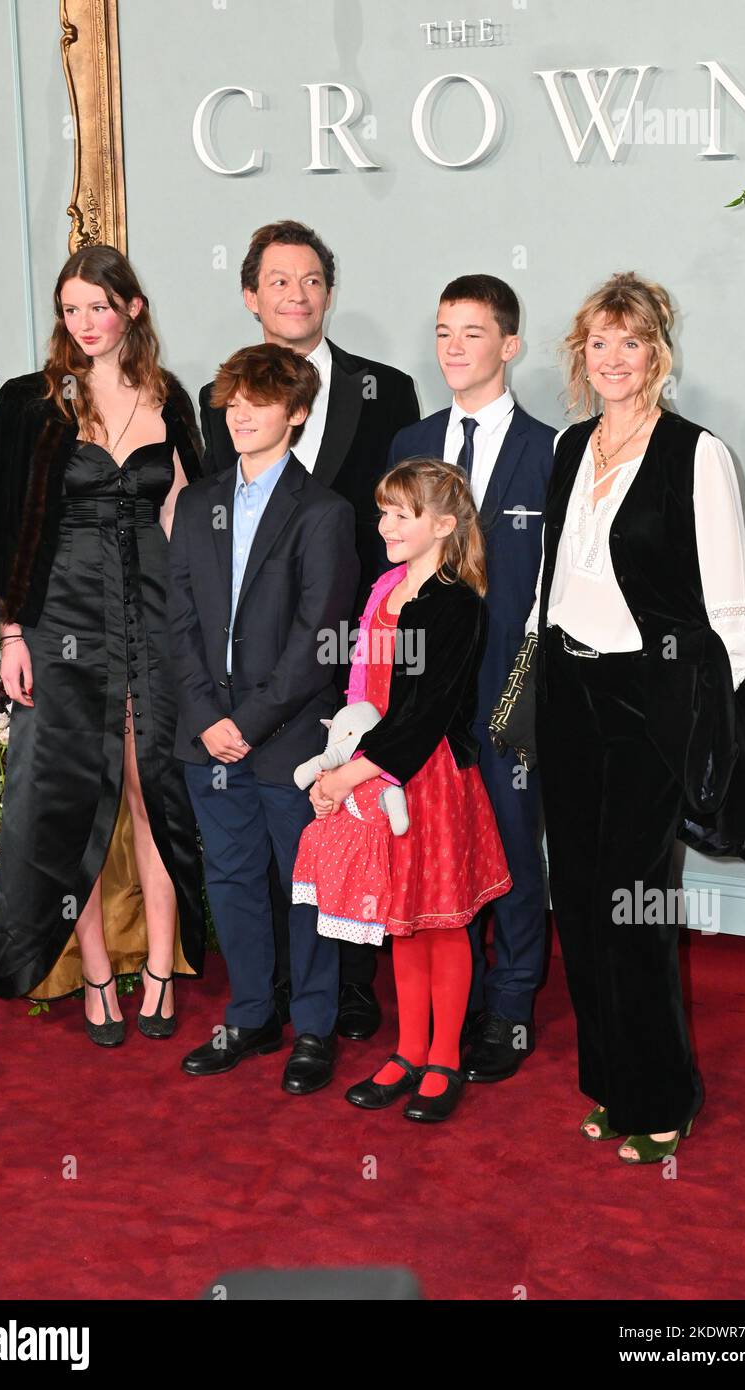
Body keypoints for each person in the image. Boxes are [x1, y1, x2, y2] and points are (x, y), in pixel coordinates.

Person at [524, 271, 745, 1163]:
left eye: (631, 342)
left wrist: (688, 713)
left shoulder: (697, 455)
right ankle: (611, 1085)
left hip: (646, 703)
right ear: (580, 354)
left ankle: (662, 1096)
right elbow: (556, 578)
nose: (614, 358)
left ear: (657, 353)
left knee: (634, 905)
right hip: (568, 693)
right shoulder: (566, 448)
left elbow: (736, 615)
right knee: (580, 898)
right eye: (599, 342)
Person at [0, 246, 209, 1042]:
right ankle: (94, 971)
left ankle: (161, 964)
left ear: (132, 308)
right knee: (69, 799)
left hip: (155, 618)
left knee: (149, 788)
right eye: (71, 309)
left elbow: (186, 522)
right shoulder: (33, 403)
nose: (85, 324)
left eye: (100, 306)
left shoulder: (170, 398)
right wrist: (9, 633)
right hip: (61, 620)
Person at [198, 219, 421, 1042]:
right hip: (258, 663)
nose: (297, 294)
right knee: (259, 846)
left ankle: (347, 992)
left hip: (361, 648)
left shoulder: (385, 389)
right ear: (251, 294)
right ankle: (269, 997)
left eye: (313, 280)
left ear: (330, 291)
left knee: (349, 819)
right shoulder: (221, 397)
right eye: (280, 281)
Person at [170, 343, 360, 1096]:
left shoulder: (325, 512)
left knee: (305, 886)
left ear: (298, 414)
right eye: (233, 400)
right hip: (205, 733)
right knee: (233, 879)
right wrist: (207, 714)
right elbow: (176, 618)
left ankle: (314, 1027)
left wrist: (246, 721)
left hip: (290, 740)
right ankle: (249, 1015)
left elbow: (321, 638)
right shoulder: (198, 502)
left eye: (259, 401)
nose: (241, 413)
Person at [299, 459, 512, 1123]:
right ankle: (408, 1048)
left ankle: (444, 1055)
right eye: (384, 510)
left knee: (441, 925)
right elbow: (363, 687)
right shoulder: (386, 586)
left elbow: (424, 715)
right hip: (370, 767)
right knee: (401, 924)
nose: (385, 524)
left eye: (402, 514)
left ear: (444, 526)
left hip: (428, 777)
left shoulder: (454, 603)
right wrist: (338, 756)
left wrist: (349, 773)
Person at [388, 275, 554, 1083]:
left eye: (473, 333)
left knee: (514, 843)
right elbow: (391, 576)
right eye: (444, 331)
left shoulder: (552, 449)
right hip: (425, 693)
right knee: (442, 849)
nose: (454, 347)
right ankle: (454, 1006)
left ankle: (512, 1003)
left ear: (510, 346)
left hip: (505, 687)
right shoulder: (410, 440)